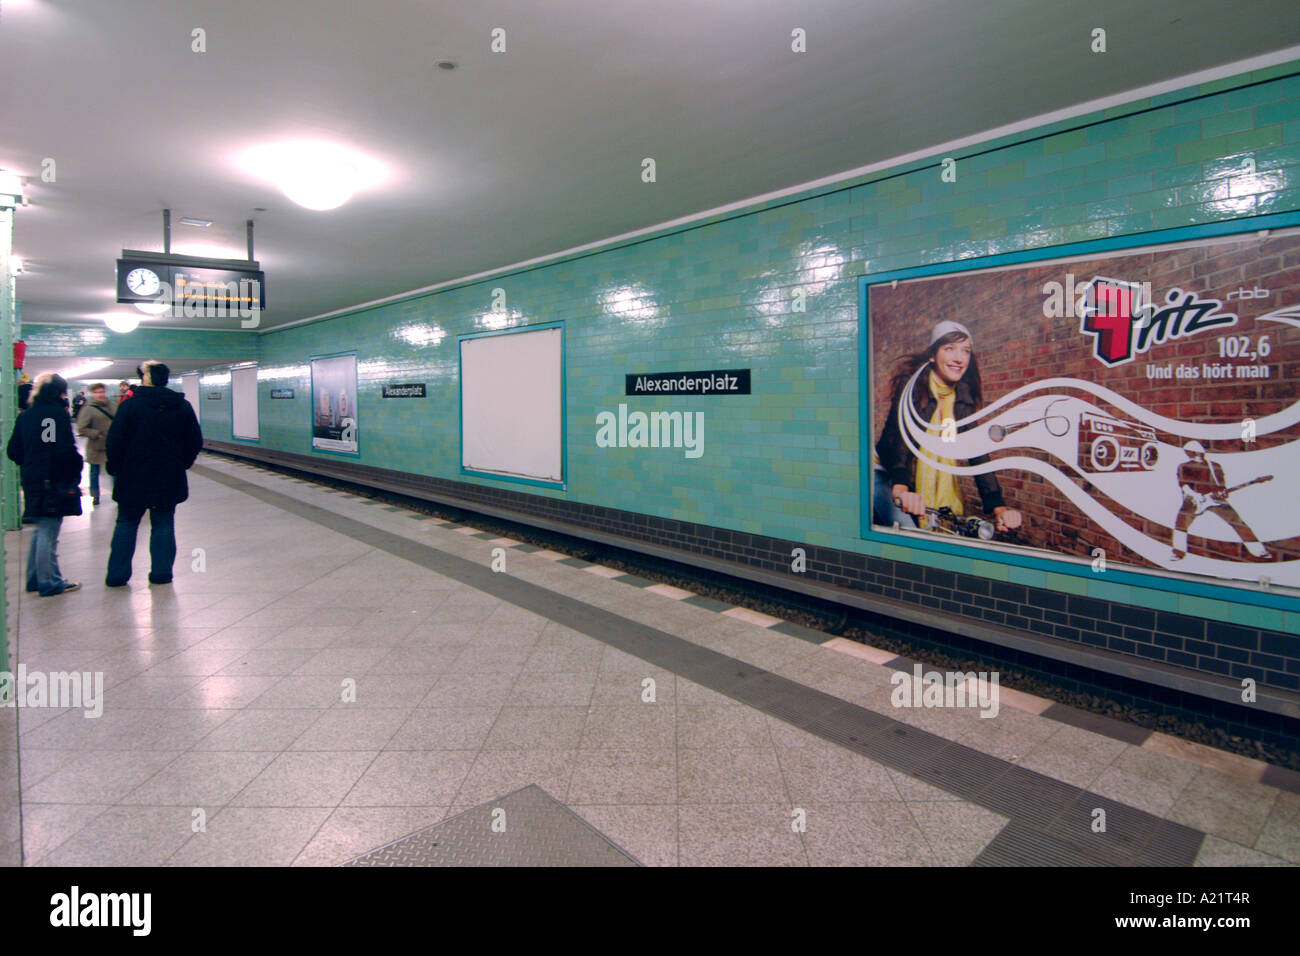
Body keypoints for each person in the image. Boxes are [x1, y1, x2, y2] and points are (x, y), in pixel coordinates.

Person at [874, 319, 1022, 533]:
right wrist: (900, 488)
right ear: (933, 356)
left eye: (966, 351)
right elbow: (901, 439)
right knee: (910, 535)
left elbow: (977, 452)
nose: (958, 358)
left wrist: (999, 508)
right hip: (886, 473)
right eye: (950, 348)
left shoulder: (962, 397)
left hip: (911, 481)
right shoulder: (913, 385)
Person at [104, 361, 203, 586]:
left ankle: (117, 576)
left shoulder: (130, 406)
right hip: (168, 476)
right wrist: (182, 463)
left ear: (145, 379)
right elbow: (194, 441)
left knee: (127, 523)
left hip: (132, 476)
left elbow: (115, 441)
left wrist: (116, 468)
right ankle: (161, 574)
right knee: (163, 523)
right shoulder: (181, 406)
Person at [5, 372, 83, 596]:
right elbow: (62, 450)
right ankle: (50, 582)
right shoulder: (55, 415)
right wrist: (73, 471)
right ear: (58, 392)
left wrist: (31, 463)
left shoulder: (26, 415)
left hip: (32, 479)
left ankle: (34, 578)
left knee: (41, 528)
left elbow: (13, 451)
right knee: (49, 530)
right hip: (52, 480)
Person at [1171, 440, 1271, 561]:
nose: (1191, 454)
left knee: (1238, 523)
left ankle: (1259, 551)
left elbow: (1221, 484)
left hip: (1215, 499)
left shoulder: (1215, 466)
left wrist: (1222, 492)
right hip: (1193, 500)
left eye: (1192, 452)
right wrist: (1196, 496)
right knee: (1180, 524)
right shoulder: (1184, 466)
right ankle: (1178, 553)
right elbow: (1184, 485)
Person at [74, 382, 116, 505]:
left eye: (102, 392)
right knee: (94, 472)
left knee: (114, 471)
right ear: (93, 394)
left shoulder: (112, 406)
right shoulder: (88, 409)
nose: (100, 395)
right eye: (97, 392)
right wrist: (95, 433)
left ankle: (117, 494)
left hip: (111, 444)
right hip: (95, 446)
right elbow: (81, 428)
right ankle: (95, 495)